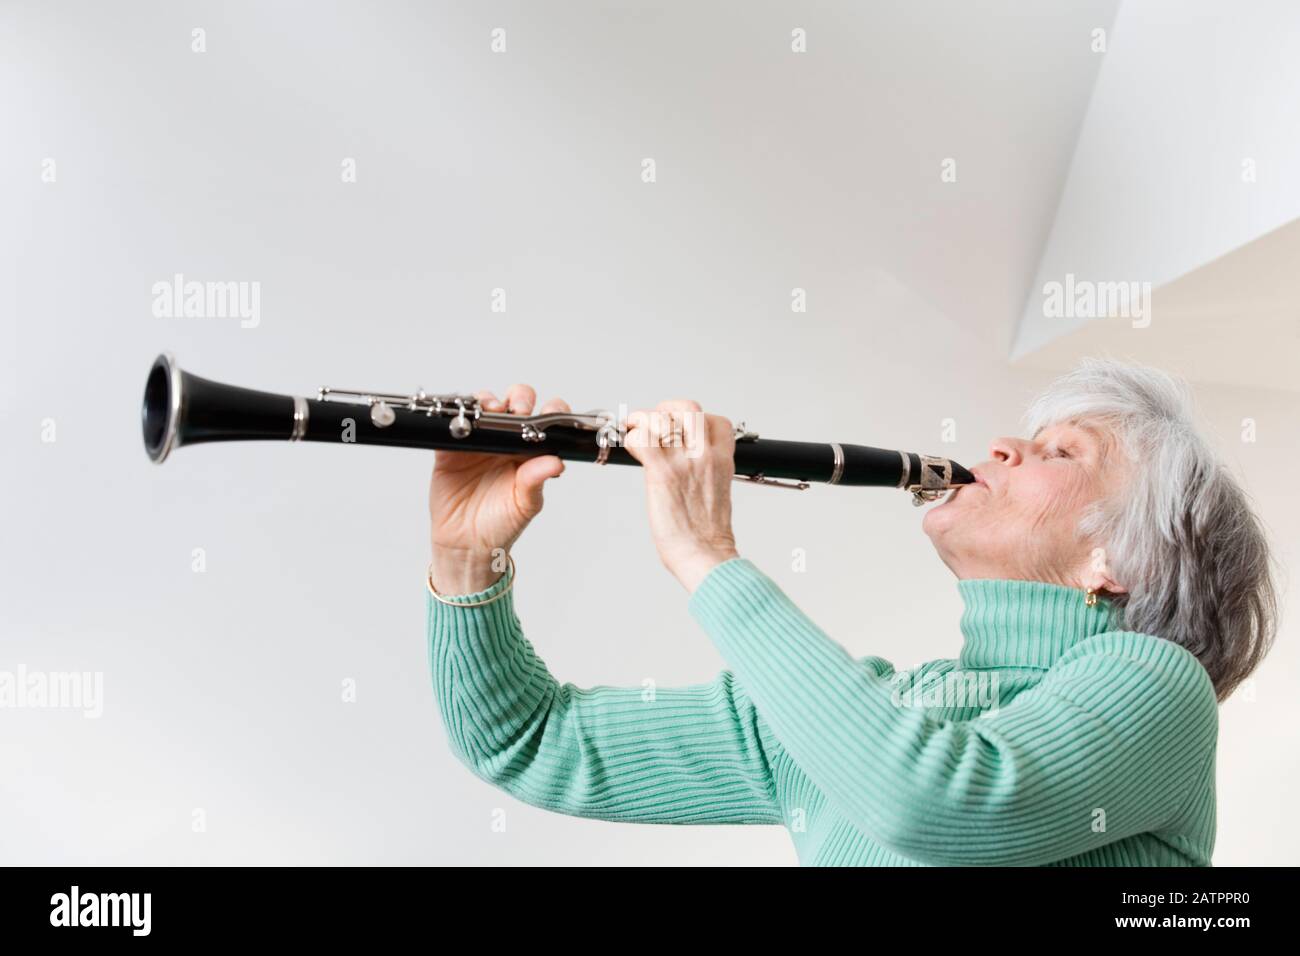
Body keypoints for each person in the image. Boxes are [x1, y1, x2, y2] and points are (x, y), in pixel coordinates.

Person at [425, 359, 1276, 866]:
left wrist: (706, 555)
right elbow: (528, 743)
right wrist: (468, 561)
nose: (1002, 448)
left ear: (1117, 560)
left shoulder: (1156, 685)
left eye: (1061, 453)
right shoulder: (870, 711)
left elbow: (941, 802)